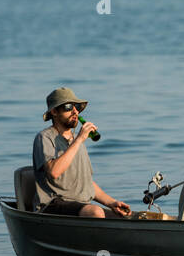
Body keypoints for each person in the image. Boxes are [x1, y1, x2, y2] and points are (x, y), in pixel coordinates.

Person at [33, 87, 131, 218]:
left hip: (80, 205)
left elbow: (85, 184)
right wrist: (79, 140)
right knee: (95, 212)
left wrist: (111, 203)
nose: (75, 111)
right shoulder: (45, 137)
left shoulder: (76, 141)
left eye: (76, 106)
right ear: (54, 111)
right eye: (68, 107)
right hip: (52, 204)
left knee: (126, 217)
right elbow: (54, 172)